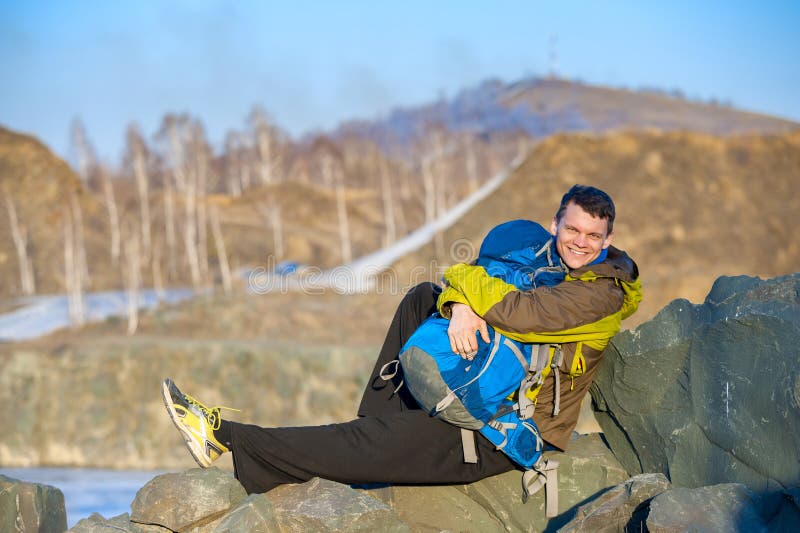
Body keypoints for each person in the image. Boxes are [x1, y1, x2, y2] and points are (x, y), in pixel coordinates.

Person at [162, 184, 642, 494]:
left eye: (593, 236)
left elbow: (516, 313)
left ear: (609, 239)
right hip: (479, 389)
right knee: (421, 298)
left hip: (506, 432)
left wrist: (464, 288)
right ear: (556, 221)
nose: (580, 242)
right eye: (572, 228)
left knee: (367, 439)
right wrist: (455, 306)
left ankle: (223, 438)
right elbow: (482, 288)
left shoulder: (600, 295)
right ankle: (374, 439)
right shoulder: (549, 261)